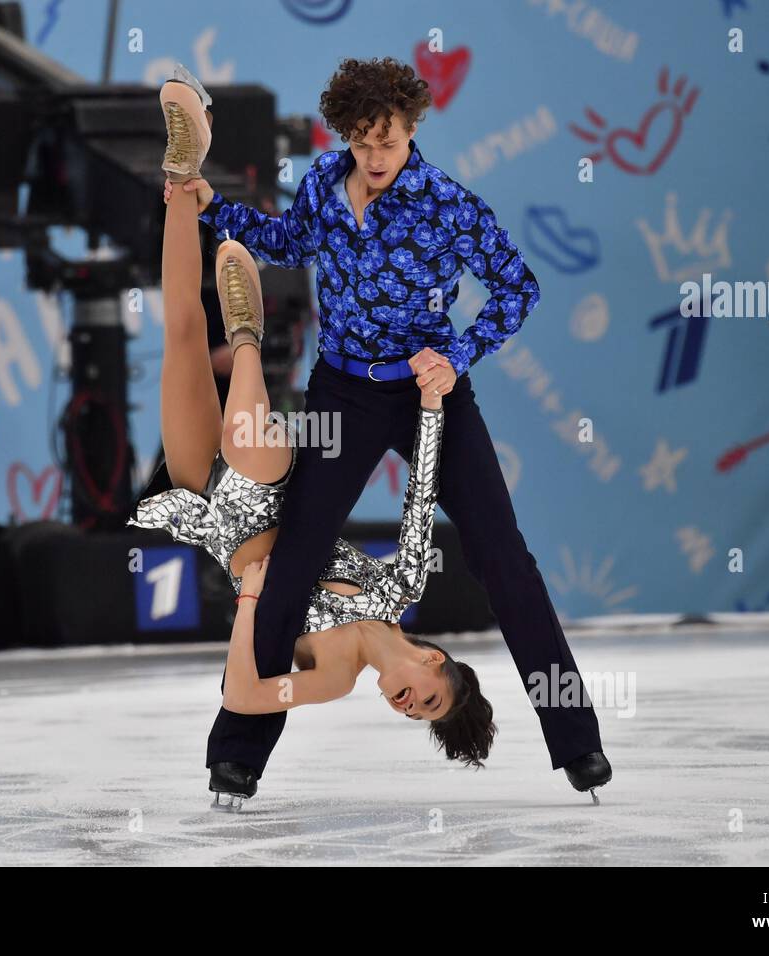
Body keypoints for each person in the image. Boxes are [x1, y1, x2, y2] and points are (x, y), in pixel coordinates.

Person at [171, 56, 613, 806]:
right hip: (344, 393)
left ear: (413, 130)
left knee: (502, 557)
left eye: (388, 141)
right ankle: (237, 754)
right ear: (345, 135)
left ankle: (578, 742)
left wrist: (459, 353)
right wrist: (212, 203)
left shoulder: (445, 202)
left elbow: (517, 286)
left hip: (428, 393)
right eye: (361, 141)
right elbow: (286, 242)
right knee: (294, 556)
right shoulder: (321, 181)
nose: (374, 157)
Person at [129, 65, 495, 809]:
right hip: (267, 485)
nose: (406, 707)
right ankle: (251, 337)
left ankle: (183, 168)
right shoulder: (401, 588)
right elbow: (422, 498)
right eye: (426, 700)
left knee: (178, 334)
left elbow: (243, 690)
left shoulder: (331, 682)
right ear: (434, 659)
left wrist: (248, 608)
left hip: (217, 520)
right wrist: (432, 407)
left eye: (414, 716)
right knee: (257, 447)